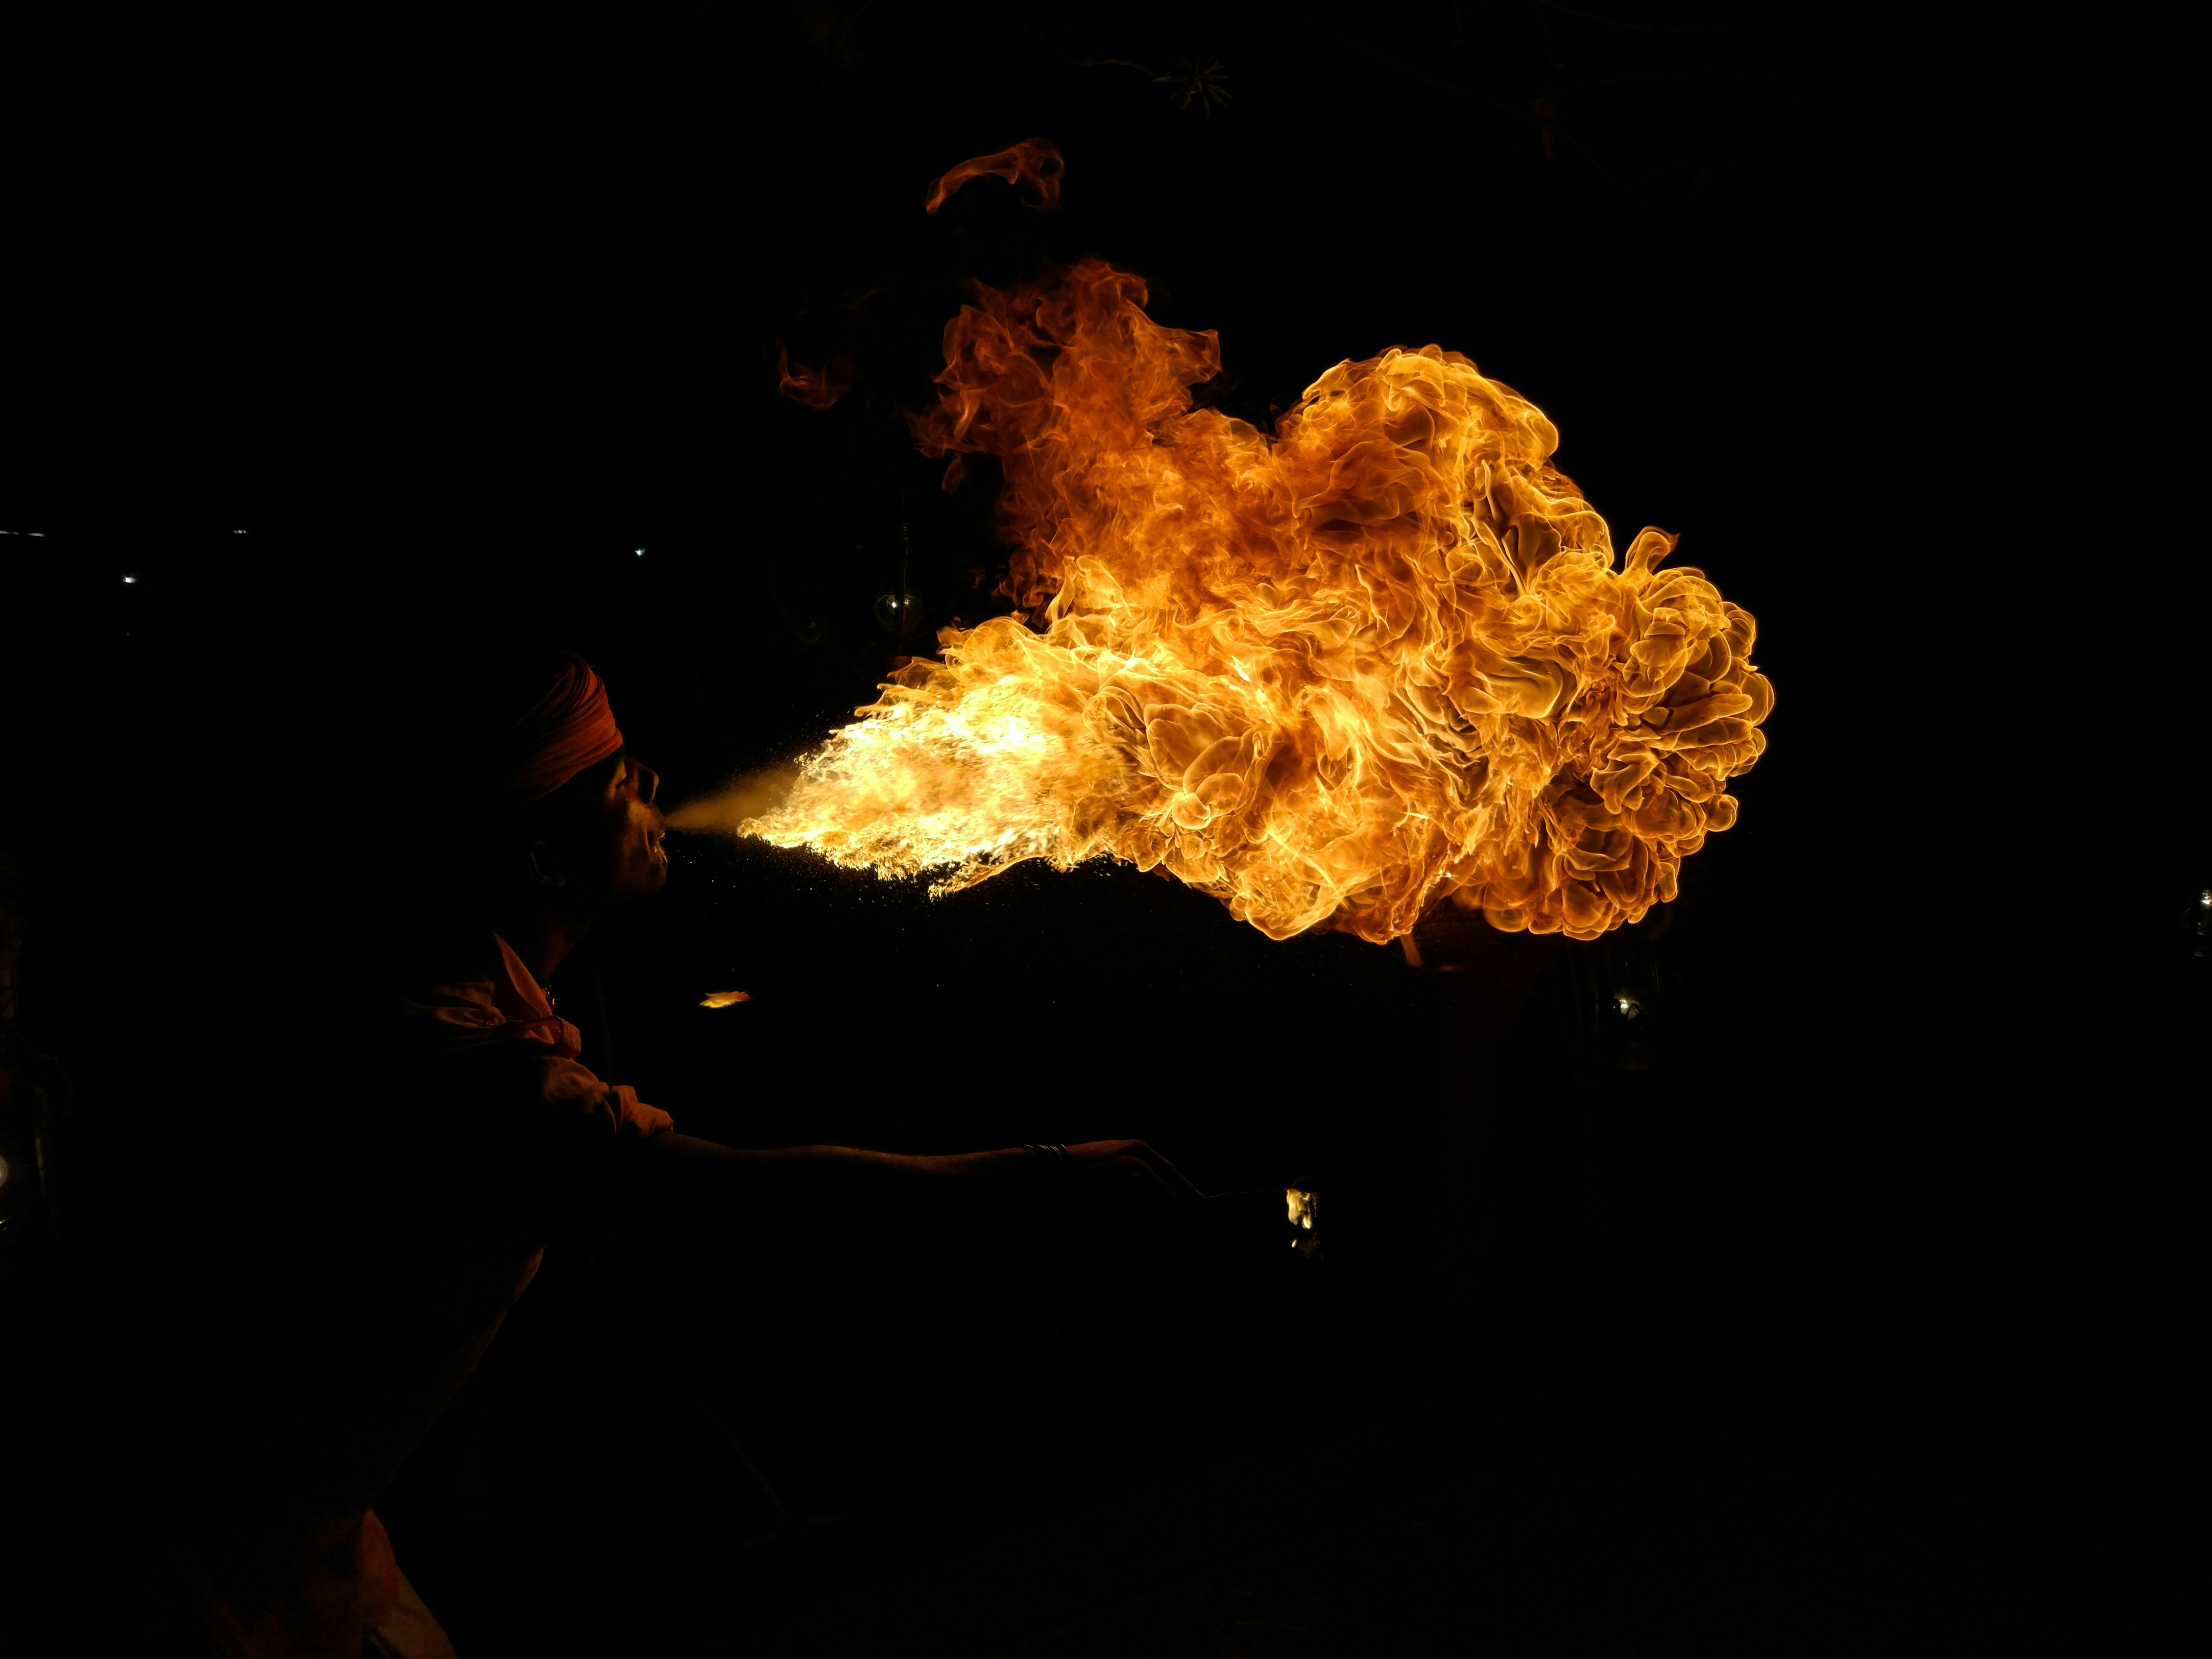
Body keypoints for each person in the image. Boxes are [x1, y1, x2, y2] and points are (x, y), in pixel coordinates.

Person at [169, 646, 1198, 1659]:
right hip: (209, 1576)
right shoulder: (470, 1072)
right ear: (541, 856)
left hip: (318, 1548)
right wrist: (1037, 1174)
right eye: (618, 780)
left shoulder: (464, 1015)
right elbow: (739, 1200)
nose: (655, 781)